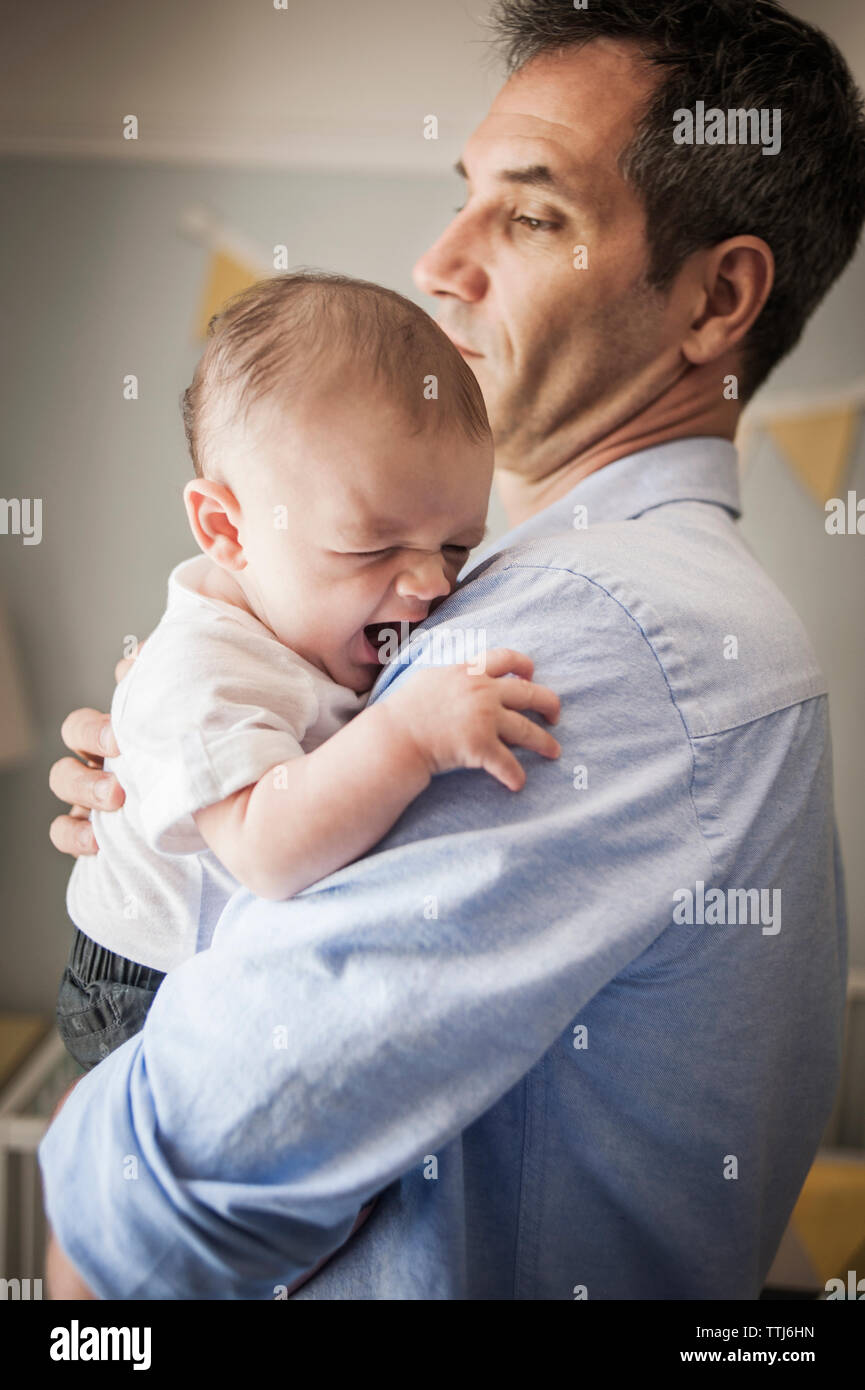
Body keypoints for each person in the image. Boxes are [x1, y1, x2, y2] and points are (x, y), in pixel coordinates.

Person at [41, 0, 865, 1299]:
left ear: (718, 297)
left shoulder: (589, 638)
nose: (438, 261)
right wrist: (171, 796)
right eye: (462, 197)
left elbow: (156, 1208)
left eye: (530, 214)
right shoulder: (547, 598)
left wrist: (83, 1231)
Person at [56, 271, 559, 1071]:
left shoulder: (324, 626)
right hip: (144, 992)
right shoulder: (203, 669)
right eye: (372, 547)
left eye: (457, 547)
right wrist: (409, 736)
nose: (430, 583)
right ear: (227, 529)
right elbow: (267, 850)